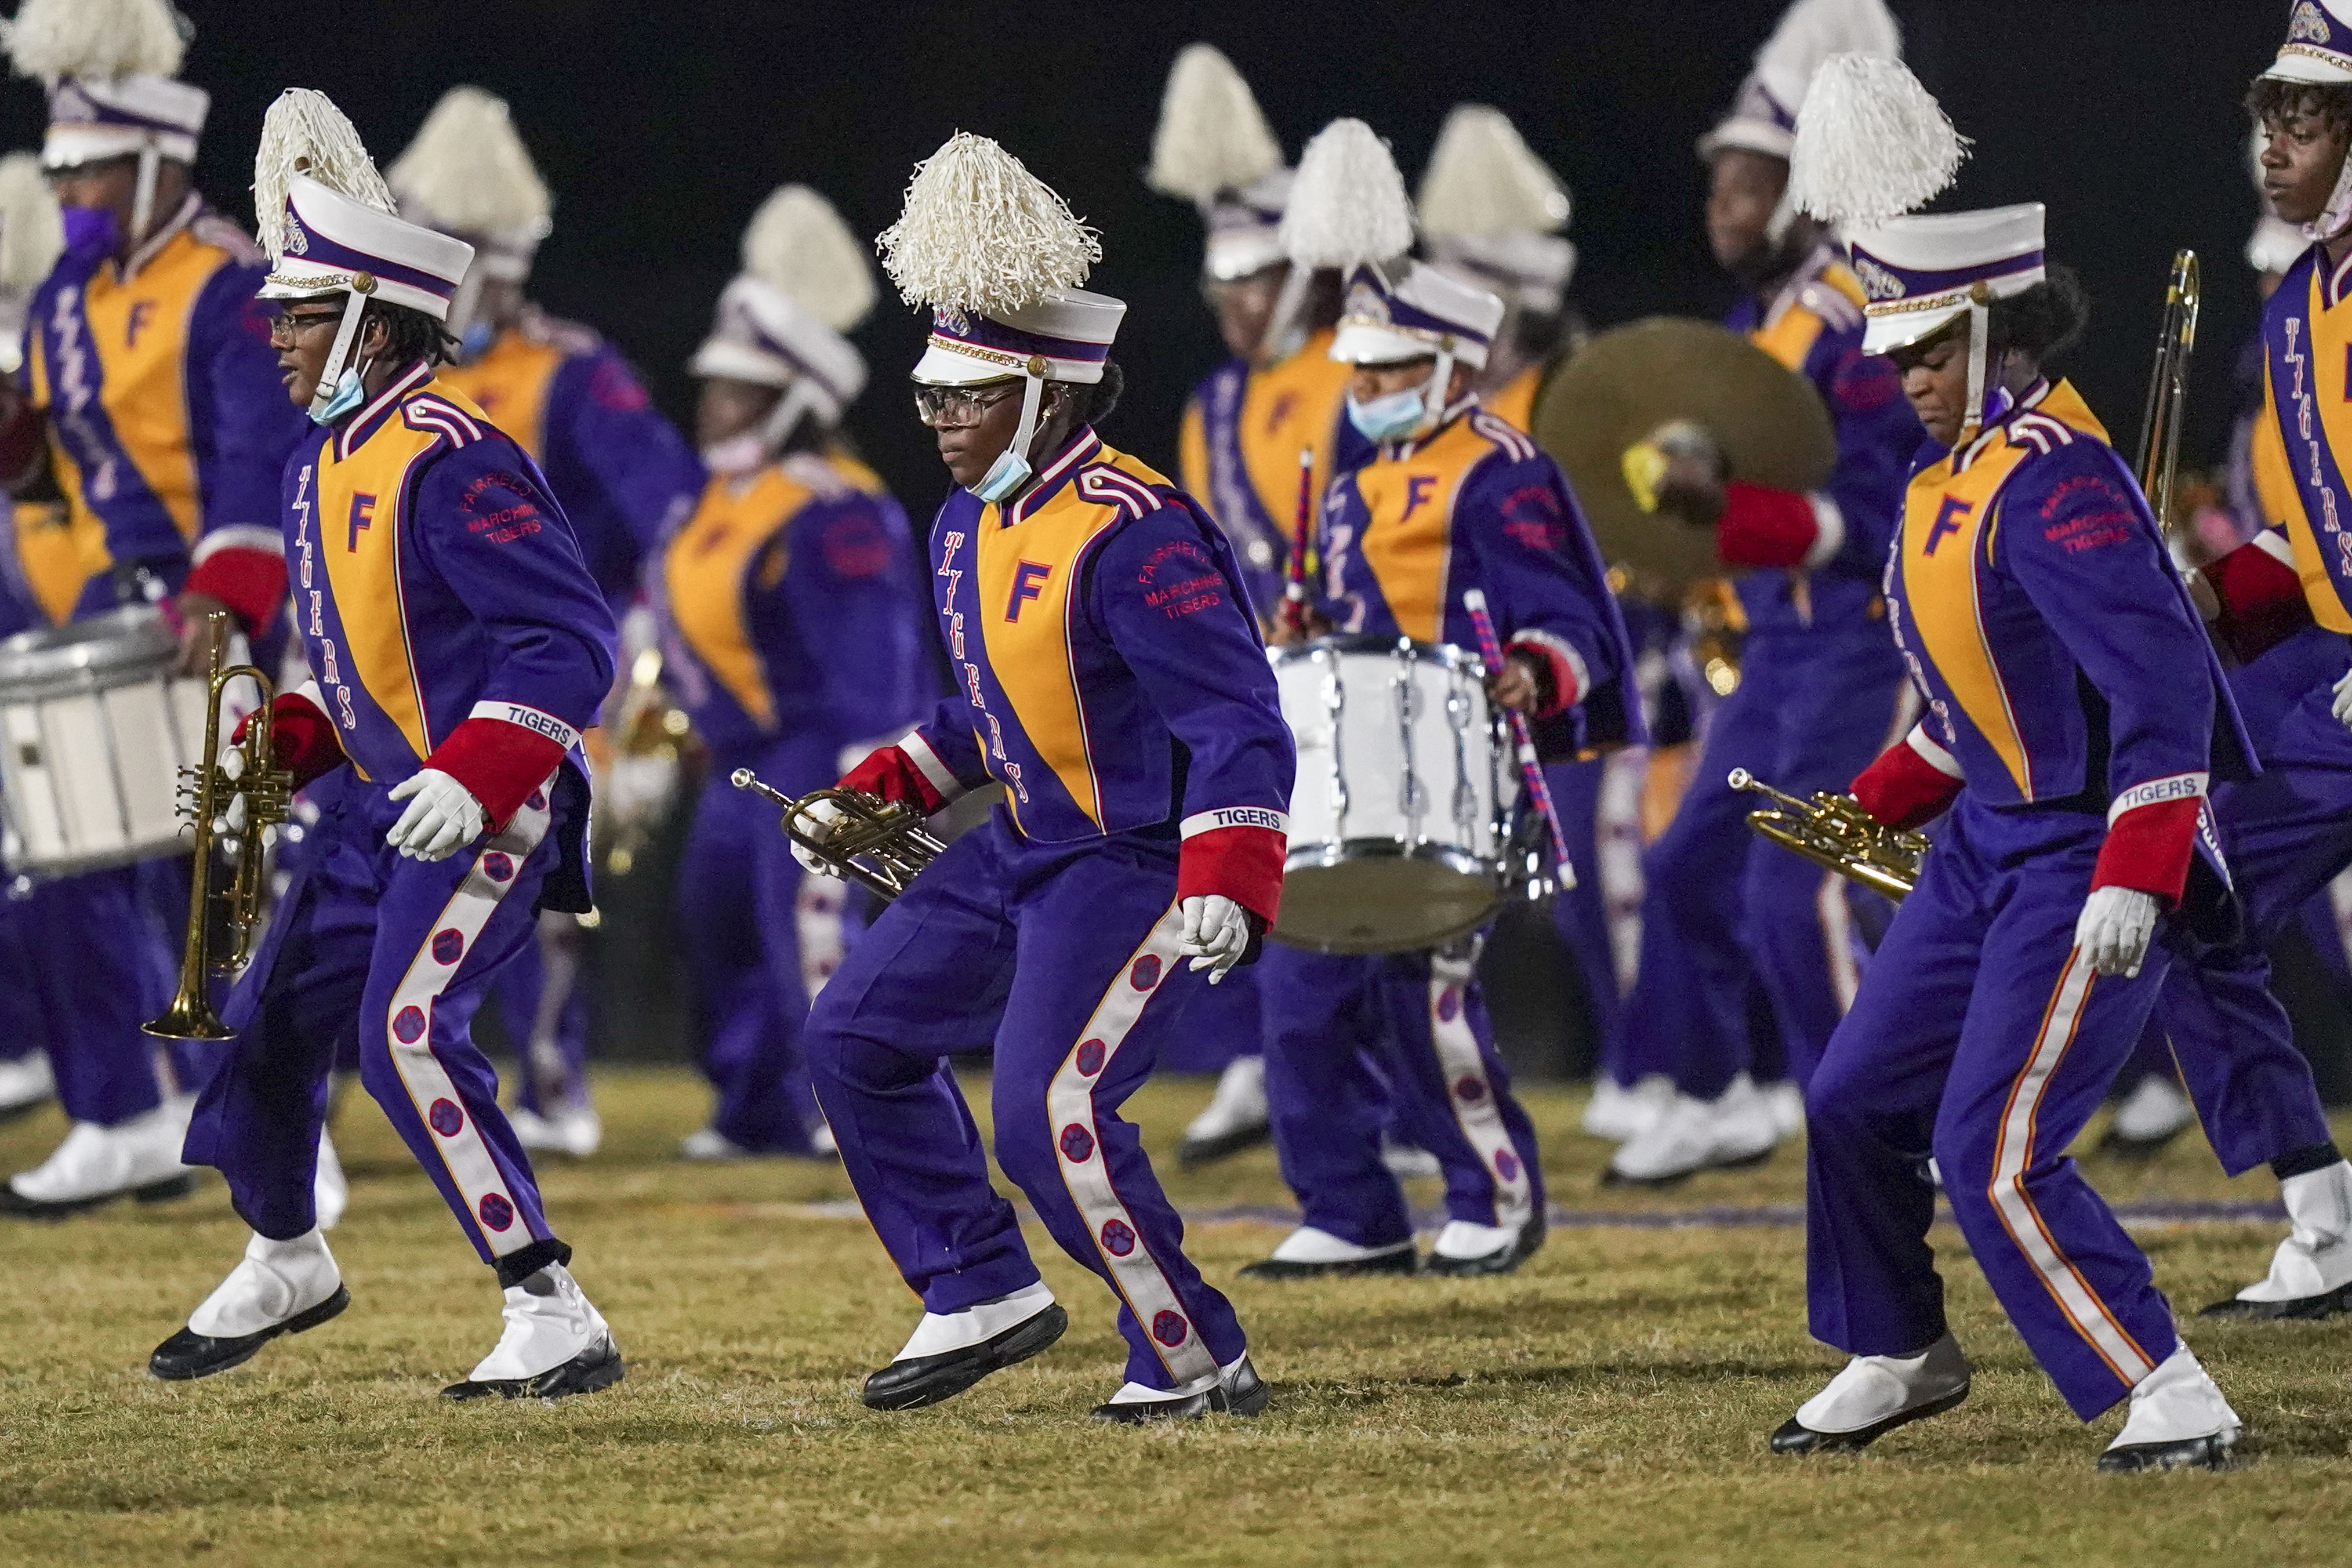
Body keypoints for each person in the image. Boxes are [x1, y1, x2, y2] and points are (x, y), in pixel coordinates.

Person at [1770, 59, 2244, 1470]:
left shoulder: (2057, 472)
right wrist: (1864, 804)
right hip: (1985, 841)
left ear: (1994, 331)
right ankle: (1896, 1343)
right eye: (1895, 351)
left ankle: (2164, 1382)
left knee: (1994, 1148)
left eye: (1927, 349)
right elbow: (1969, 708)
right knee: (1851, 1096)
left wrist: (2141, 866)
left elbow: (2166, 688)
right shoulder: (1940, 482)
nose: (1903, 375)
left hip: (2079, 852)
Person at [797, 132, 1290, 1421]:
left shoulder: (1136, 527)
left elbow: (1239, 715)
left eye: (967, 396)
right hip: (1023, 845)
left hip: (1127, 862)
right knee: (853, 1034)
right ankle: (979, 1282)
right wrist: (887, 782)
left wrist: (1231, 871)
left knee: (1047, 1114)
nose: (943, 419)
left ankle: (1193, 1347)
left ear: (1047, 392)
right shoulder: (963, 524)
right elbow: (993, 711)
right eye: (934, 396)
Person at [152, 91, 622, 1400]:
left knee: (404, 1028)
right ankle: (288, 1248)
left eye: (301, 315)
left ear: (371, 318)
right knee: (266, 1026)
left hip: (490, 803)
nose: (277, 337)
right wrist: (278, 746)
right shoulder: (319, 465)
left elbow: (570, 644)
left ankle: (552, 1306)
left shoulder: (451, 454)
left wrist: (473, 777)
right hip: (379, 802)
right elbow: (370, 674)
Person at [1244, 120, 1639, 1281]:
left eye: (1386, 372)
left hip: (1455, 764)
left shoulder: (1501, 467)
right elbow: (1352, 598)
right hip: (1351, 760)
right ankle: (1349, 1203)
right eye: (1357, 370)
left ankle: (1494, 1190)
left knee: (1430, 994)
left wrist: (1536, 666)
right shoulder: (1363, 473)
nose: (1360, 389)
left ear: (1453, 367)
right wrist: (1308, 624)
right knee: (1303, 985)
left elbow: (1566, 614)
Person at [0, 0, 314, 1217]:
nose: (71, 195)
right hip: (127, 601)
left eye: (92, 173)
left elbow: (258, 452)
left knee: (223, 870)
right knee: (60, 853)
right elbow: (57, 471)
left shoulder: (235, 282)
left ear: (159, 160)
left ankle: (287, 1133)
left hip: (235, 600)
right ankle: (122, 1114)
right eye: (60, 173)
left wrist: (229, 594)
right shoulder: (66, 300)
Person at [1606, 0, 1923, 1185]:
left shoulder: (1858, 315)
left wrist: (1724, 512)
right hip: (1779, 651)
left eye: (1747, 186)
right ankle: (1719, 1091)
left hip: (1856, 644)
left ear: (1805, 187)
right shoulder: (1766, 319)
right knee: (1684, 865)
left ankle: (1881, 1129)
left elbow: (1887, 520)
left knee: (1804, 896)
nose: (1722, 209)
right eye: (1720, 187)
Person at [387, 86, 703, 1159]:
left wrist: (651, 682)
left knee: (545, 890)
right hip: (423, 673)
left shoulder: (574, 370)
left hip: (550, 665)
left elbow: (670, 519)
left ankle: (555, 1078)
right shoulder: (396, 377)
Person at [655, 183, 931, 1162]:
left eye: (741, 390)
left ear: (797, 401)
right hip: (735, 760)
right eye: (716, 385)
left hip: (817, 749)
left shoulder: (831, 504)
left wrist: (867, 774)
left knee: (809, 935)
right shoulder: (708, 502)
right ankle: (754, 1107)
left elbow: (870, 655)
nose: (716, 404)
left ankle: (851, 1106)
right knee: (717, 927)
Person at [1145, 44, 1350, 1167]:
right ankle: (1243, 1054)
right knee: (1221, 838)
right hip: (1254, 656)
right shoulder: (1217, 397)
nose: (1236, 306)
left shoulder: (1342, 371)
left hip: (1341, 652)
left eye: (1257, 282)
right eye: (1222, 286)